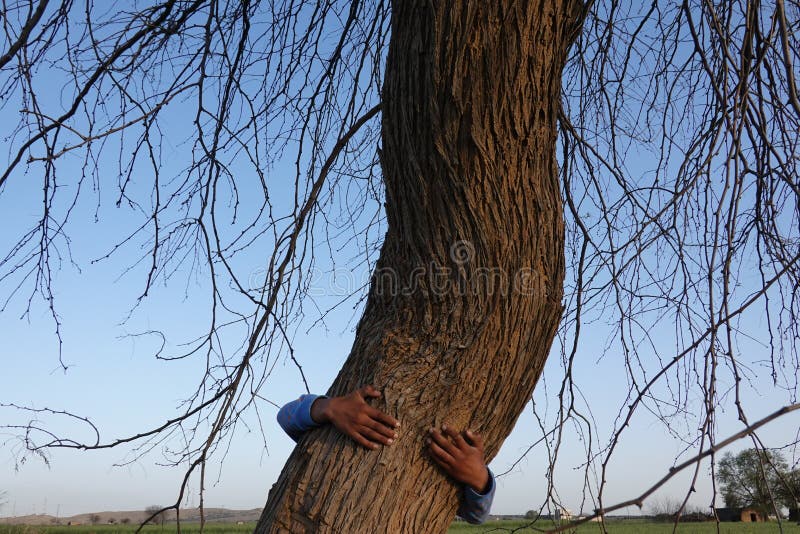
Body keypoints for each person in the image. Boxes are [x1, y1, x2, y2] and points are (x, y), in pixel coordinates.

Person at [277, 385, 495, 524]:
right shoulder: (340, 426)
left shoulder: (452, 464)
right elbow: (285, 417)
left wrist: (480, 479)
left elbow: (477, 515)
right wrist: (328, 407)